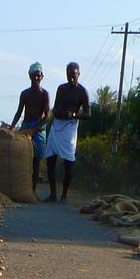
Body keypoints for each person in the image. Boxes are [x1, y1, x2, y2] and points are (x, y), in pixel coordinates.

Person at [43, 62, 89, 202]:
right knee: (50, 159)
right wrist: (57, 112)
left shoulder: (82, 92)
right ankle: (53, 194)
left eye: (74, 75)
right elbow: (56, 106)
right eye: (69, 75)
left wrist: (73, 115)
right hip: (57, 125)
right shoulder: (61, 89)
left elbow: (88, 114)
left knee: (69, 162)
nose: (71, 78)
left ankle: (64, 195)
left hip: (70, 127)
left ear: (78, 74)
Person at [10, 62, 50, 191]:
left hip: (38, 129)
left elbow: (47, 117)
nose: (36, 78)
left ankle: (32, 189)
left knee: (36, 160)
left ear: (42, 76)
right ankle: (21, 187)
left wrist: (34, 129)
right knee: (22, 158)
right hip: (26, 126)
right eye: (34, 75)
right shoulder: (25, 94)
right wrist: (11, 127)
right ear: (29, 76)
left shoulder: (45, 94)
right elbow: (18, 112)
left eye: (38, 75)